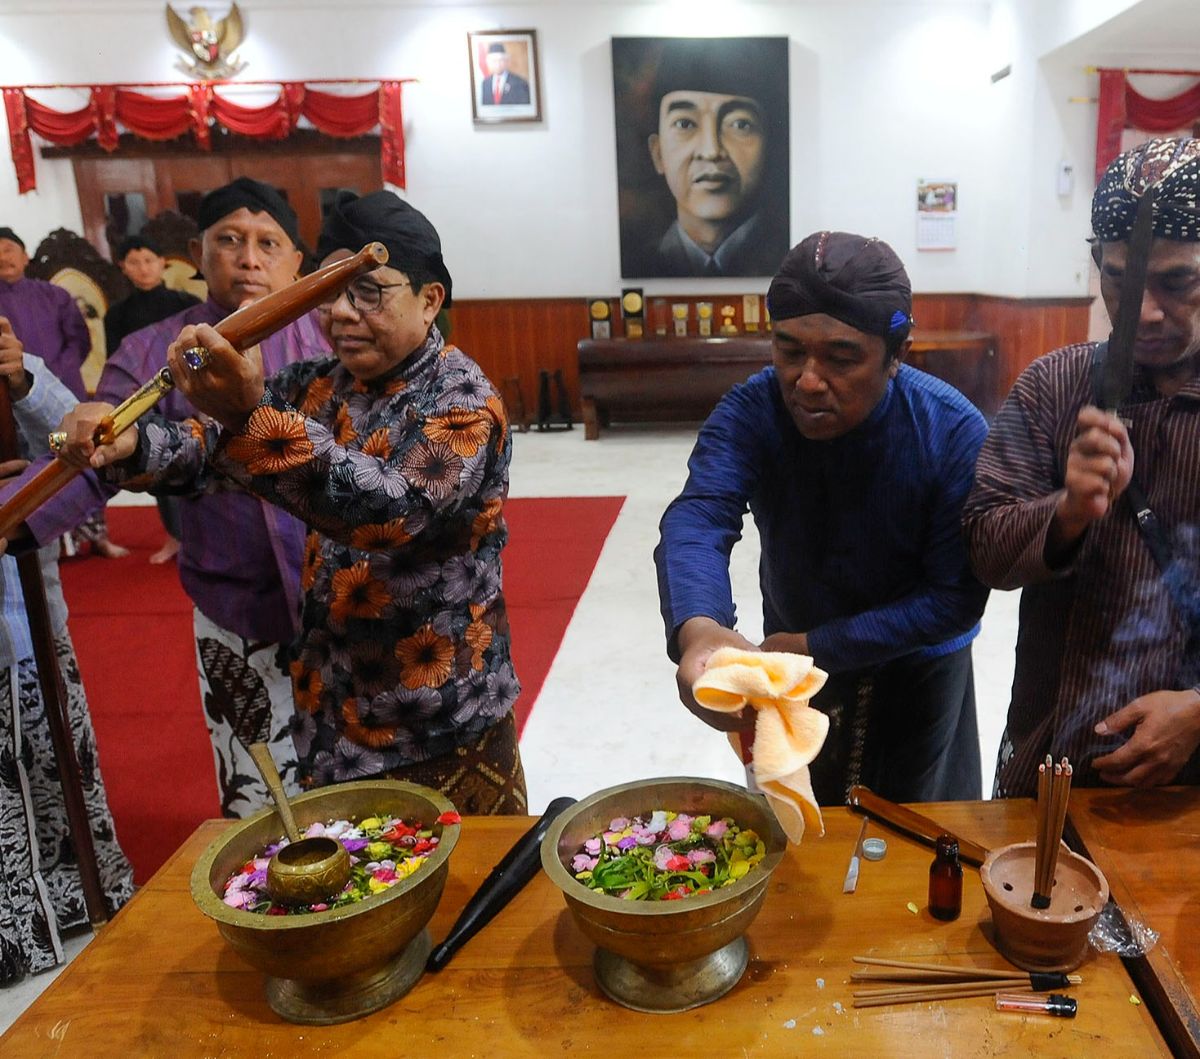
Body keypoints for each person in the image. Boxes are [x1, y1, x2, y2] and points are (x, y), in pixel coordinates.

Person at [58, 190, 528, 814]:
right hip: (333, 720)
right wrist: (132, 442)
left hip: (441, 723)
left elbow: (389, 513)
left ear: (429, 299)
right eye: (329, 295)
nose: (344, 313)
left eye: (369, 292)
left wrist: (253, 415)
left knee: (475, 877)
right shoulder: (320, 384)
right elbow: (211, 447)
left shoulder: (461, 398)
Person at [6, 177, 325, 817]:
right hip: (234, 606)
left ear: (296, 261)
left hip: (340, 606)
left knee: (356, 792)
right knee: (264, 801)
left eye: (268, 243)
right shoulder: (154, 351)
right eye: (229, 240)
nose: (249, 258)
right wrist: (18, 514)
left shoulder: (331, 340)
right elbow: (99, 454)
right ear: (199, 253)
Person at [655, 231, 990, 805]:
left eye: (841, 358)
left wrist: (819, 644)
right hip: (793, 661)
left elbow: (953, 599)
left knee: (912, 826)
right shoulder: (753, 410)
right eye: (789, 352)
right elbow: (698, 518)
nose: (808, 380)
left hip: (918, 669)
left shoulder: (950, 431)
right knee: (797, 819)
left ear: (897, 354)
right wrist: (701, 628)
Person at [963, 137, 1200, 797]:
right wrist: (1066, 512)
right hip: (1053, 748)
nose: (1144, 310)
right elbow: (984, 550)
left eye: (1178, 281)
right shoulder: (1055, 386)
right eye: (1120, 278)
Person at [0, 321, 133, 984]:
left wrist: (22, 378)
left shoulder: (9, 361)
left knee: (57, 770)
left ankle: (78, 899)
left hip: (32, 622)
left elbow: (81, 443)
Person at [0, 226, 128, 560]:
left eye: (9, 249)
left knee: (79, 458)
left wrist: (51, 373)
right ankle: (47, 544)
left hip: (54, 395)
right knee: (26, 477)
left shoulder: (54, 295)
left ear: (25, 256)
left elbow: (78, 338)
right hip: (9, 412)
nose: (3, 256)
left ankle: (97, 537)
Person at [624, 38, 789, 278]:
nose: (711, 151)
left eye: (740, 125)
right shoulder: (640, 264)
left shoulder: (791, 267)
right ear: (657, 153)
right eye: (685, 124)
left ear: (769, 146)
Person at [104, 235, 201, 564]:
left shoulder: (187, 304)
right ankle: (174, 536)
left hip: (189, 391)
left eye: (149, 261)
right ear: (123, 267)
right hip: (145, 398)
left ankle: (198, 538)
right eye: (134, 262)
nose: (143, 268)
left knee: (198, 463)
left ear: (162, 263)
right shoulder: (117, 314)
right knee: (158, 465)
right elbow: (116, 361)